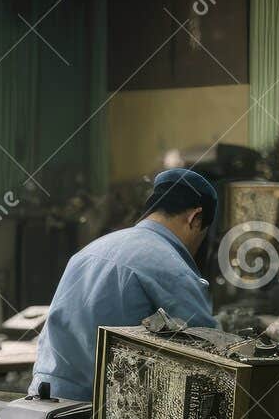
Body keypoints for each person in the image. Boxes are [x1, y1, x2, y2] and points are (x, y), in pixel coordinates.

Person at [30, 167, 218, 401]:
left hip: (43, 406)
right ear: (195, 218)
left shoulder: (88, 252)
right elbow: (211, 358)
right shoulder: (173, 267)